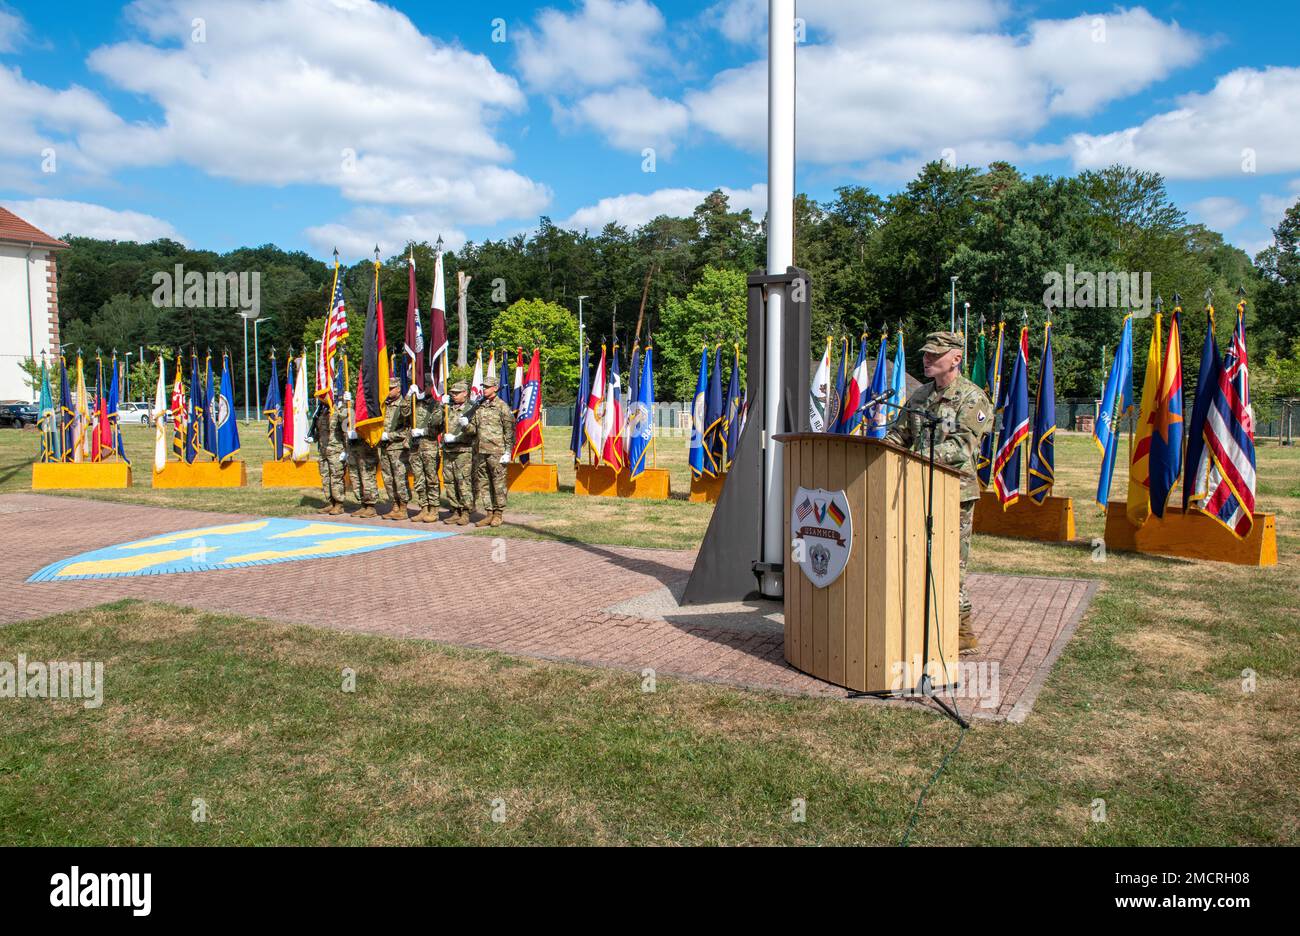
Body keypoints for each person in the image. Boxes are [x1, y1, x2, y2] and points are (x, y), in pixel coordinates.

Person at [885, 330, 992, 654]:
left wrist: (916, 457)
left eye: (935, 354)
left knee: (950, 562)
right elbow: (899, 434)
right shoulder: (920, 396)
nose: (927, 358)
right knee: (916, 557)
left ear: (956, 359)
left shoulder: (972, 398)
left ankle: (961, 630)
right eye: (926, 353)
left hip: (953, 494)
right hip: (915, 490)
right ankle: (921, 620)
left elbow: (961, 447)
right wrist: (878, 452)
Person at [469, 374, 516, 528]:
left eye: (487, 387)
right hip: (480, 450)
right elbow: (474, 428)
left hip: (497, 450)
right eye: (483, 386)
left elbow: (509, 431)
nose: (484, 389)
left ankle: (498, 514)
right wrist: (464, 424)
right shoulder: (479, 406)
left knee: (498, 483)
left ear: (495, 388)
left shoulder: (502, 406)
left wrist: (508, 451)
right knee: (484, 483)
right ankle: (488, 513)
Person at [439, 381, 476, 526]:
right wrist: (440, 407)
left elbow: (474, 431)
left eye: (457, 393)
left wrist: (457, 437)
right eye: (452, 393)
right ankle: (455, 510)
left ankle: (466, 512)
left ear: (465, 393)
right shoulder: (448, 409)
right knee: (449, 482)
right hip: (448, 450)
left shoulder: (471, 409)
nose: (454, 395)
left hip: (463, 451)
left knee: (463, 482)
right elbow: (434, 423)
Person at [378, 377, 412, 520]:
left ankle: (403, 508)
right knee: (388, 479)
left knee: (400, 478)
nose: (388, 391)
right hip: (384, 448)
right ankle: (395, 506)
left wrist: (390, 435)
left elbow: (407, 429)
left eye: (391, 388)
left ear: (399, 389)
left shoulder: (404, 405)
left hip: (398, 448)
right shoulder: (382, 405)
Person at [409, 388, 445, 523]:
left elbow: (437, 424)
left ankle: (434, 509)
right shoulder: (414, 403)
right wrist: (409, 396)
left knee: (431, 479)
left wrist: (423, 431)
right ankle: (424, 507)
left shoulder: (437, 405)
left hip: (429, 446)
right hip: (415, 447)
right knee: (419, 479)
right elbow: (403, 413)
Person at [310, 396, 347, 515]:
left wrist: (346, 450)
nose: (321, 398)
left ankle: (339, 504)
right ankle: (331, 502)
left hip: (336, 449)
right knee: (325, 476)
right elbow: (320, 430)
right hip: (324, 449)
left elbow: (346, 428)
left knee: (336, 477)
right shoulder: (322, 410)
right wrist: (313, 437)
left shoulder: (340, 409)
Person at [346, 408, 381, 520]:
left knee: (367, 477)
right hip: (354, 447)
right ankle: (362, 504)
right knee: (355, 477)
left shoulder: (369, 404)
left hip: (366, 447)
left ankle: (370, 506)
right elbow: (343, 424)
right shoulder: (351, 407)